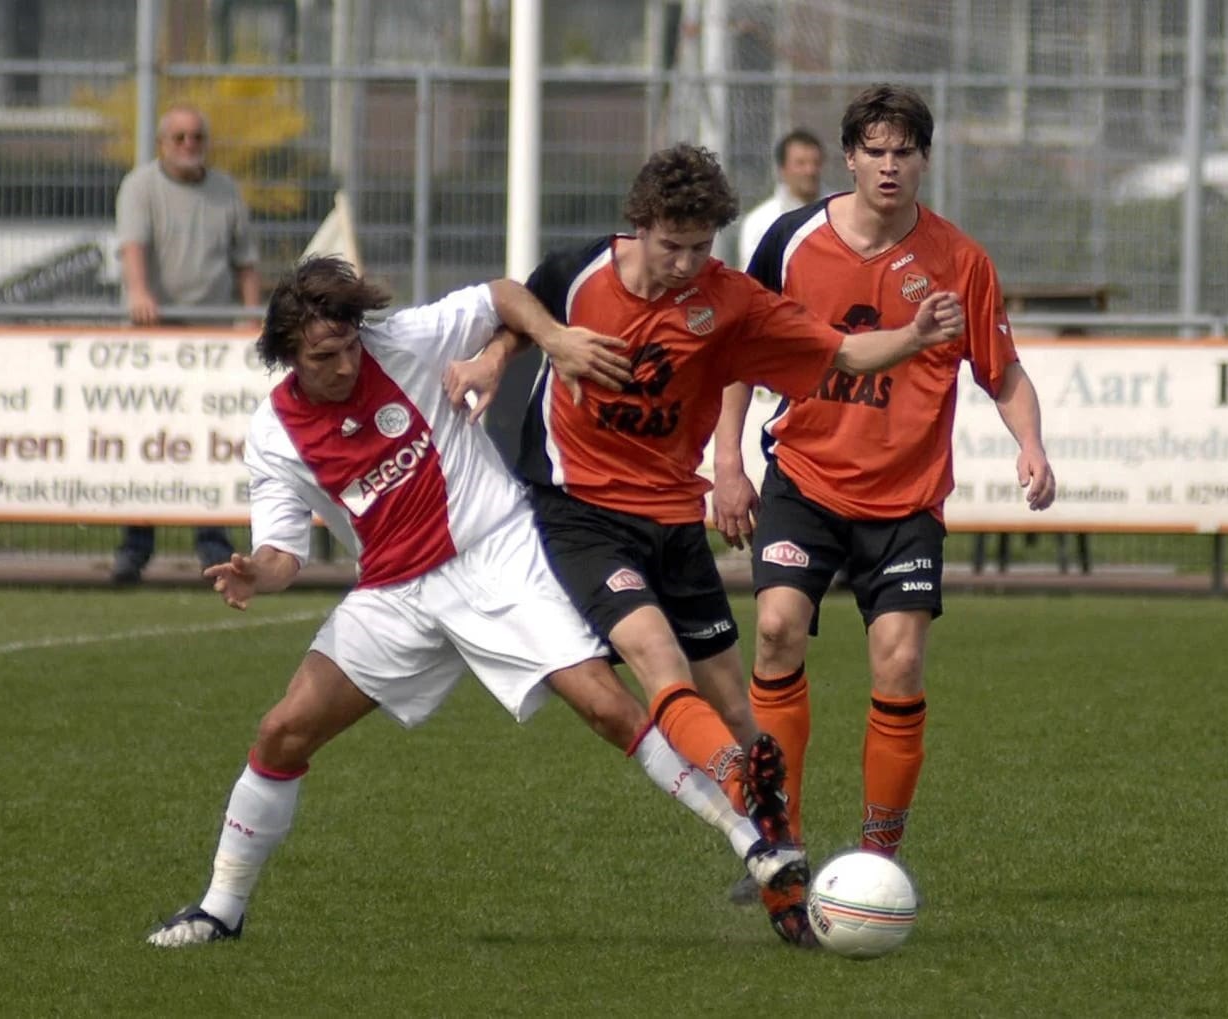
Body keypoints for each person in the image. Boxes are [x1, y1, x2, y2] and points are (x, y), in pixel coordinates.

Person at [145, 256, 804, 947]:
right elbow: (283, 551)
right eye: (323, 356)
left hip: (497, 553)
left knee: (608, 706)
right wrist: (259, 572)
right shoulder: (274, 433)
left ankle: (749, 840)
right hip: (396, 593)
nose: (343, 364)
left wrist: (549, 338)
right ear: (289, 356)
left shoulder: (403, 339)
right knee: (283, 729)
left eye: (347, 346)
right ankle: (222, 907)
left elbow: (502, 295)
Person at [444, 143, 965, 945]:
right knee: (659, 661)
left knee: (739, 707)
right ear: (640, 225)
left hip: (672, 518)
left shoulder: (731, 303)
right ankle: (737, 788)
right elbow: (518, 298)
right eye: (671, 244)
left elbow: (842, 350)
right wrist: (526, 346)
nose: (687, 262)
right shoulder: (585, 272)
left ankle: (780, 873)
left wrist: (915, 333)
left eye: (701, 245)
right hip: (580, 511)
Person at [713, 84, 1057, 879]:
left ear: (924, 159)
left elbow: (1003, 374)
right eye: (876, 150)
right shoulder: (792, 243)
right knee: (773, 630)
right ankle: (779, 835)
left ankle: (878, 858)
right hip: (803, 478)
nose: (890, 164)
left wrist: (1031, 445)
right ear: (850, 158)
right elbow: (739, 353)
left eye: (905, 151)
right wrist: (728, 461)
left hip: (905, 498)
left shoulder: (959, 261)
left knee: (899, 662)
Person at [111, 103, 262, 584]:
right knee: (147, 439)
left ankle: (212, 544)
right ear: (162, 143)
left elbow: (245, 262)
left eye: (196, 137)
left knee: (208, 439)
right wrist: (140, 295)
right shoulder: (140, 187)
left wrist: (249, 317)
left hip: (211, 335)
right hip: (156, 336)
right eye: (178, 138)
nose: (188, 146)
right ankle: (135, 547)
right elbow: (133, 247)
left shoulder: (226, 191)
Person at [736, 128, 824, 271]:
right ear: (783, 169)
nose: (810, 171)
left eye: (815, 162)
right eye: (801, 163)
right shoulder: (761, 221)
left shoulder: (838, 210)